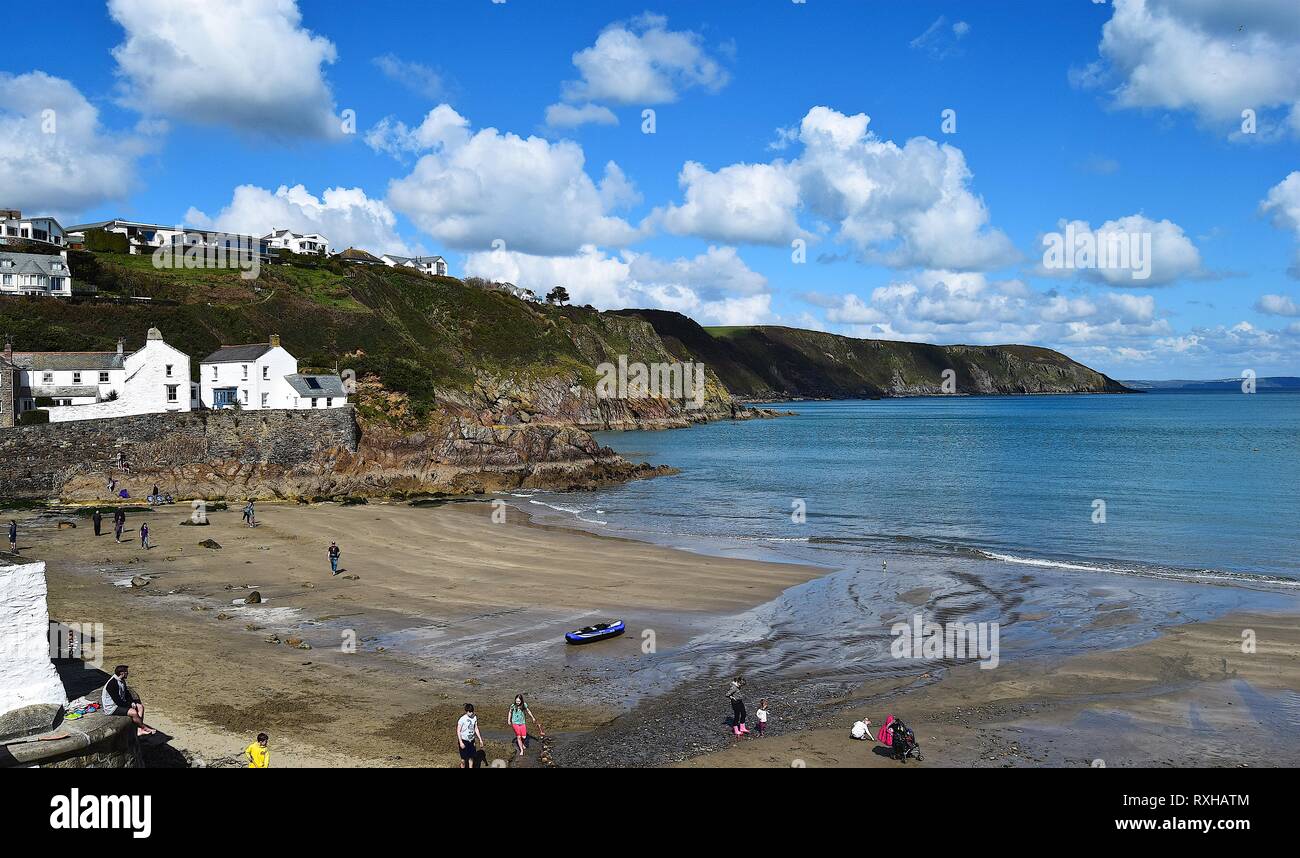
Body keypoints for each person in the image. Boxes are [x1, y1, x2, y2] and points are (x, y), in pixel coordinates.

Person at [102, 665, 156, 736]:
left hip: (119, 703)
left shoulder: (121, 680)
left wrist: (132, 702)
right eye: (126, 672)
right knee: (133, 712)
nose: (128, 673)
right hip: (111, 707)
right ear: (122, 673)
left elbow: (127, 693)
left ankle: (139, 729)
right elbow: (118, 701)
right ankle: (144, 727)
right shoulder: (112, 684)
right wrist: (130, 705)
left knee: (140, 707)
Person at [507, 694, 544, 758]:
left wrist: (533, 717)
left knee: (524, 737)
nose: (517, 702)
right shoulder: (513, 706)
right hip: (515, 723)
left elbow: (528, 711)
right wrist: (508, 720)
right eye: (516, 701)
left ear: (521, 701)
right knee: (518, 736)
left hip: (522, 723)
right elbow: (510, 712)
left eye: (518, 701)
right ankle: (521, 750)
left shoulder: (524, 705)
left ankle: (522, 743)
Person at [457, 703, 483, 769]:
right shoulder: (462, 719)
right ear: (466, 711)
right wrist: (460, 742)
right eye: (469, 712)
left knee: (471, 757)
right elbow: (458, 731)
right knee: (463, 759)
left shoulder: (474, 717)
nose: (471, 713)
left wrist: (480, 739)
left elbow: (476, 728)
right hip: (464, 740)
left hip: (471, 740)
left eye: (472, 711)